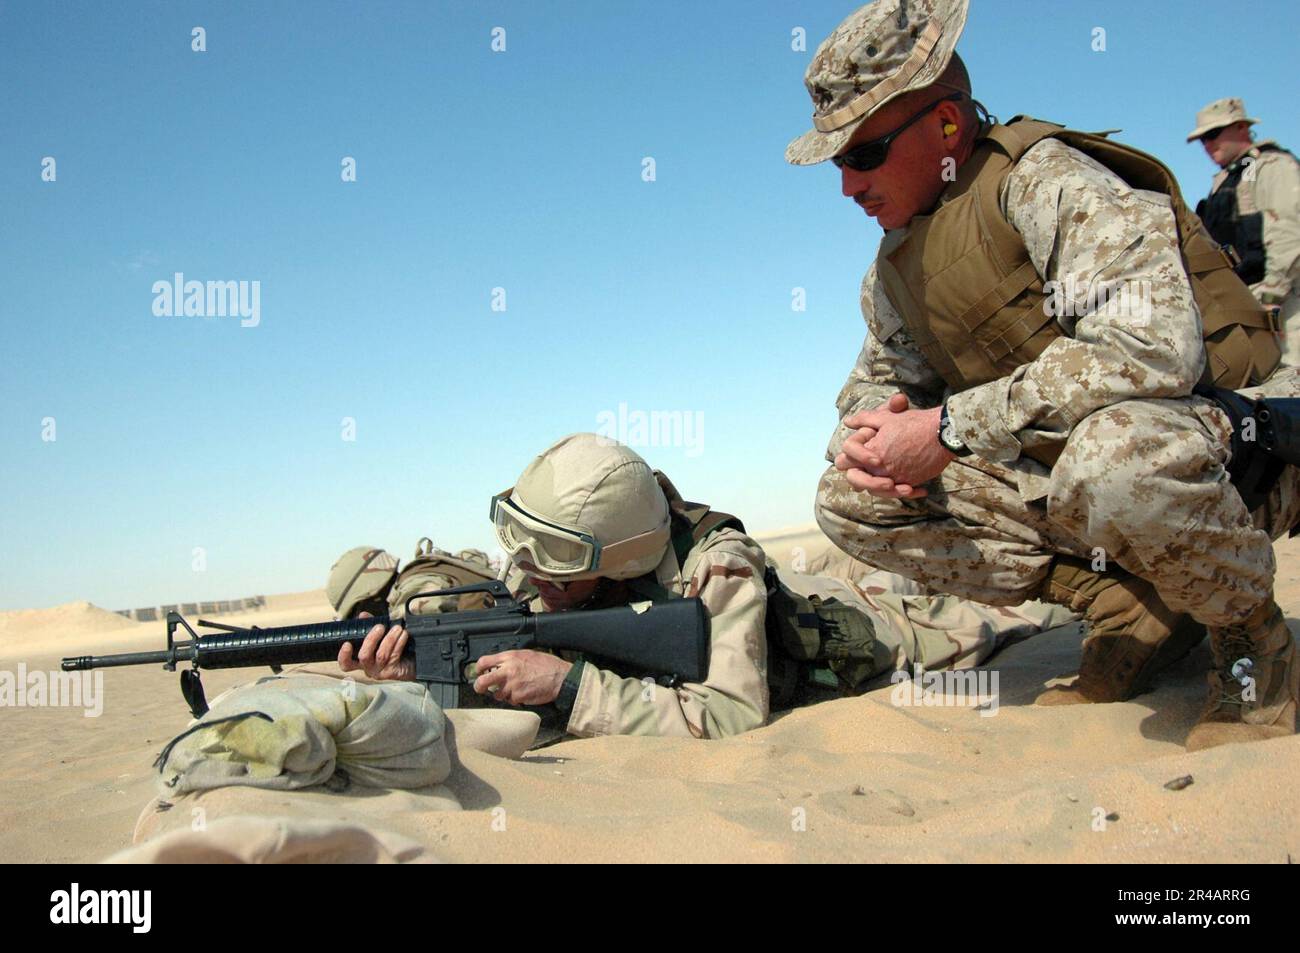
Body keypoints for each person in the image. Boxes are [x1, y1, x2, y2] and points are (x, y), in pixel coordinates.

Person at [786, 0, 1300, 750]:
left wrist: (951, 427)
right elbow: (878, 381)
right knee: (847, 495)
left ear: (948, 127)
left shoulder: (1045, 181)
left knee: (1114, 459)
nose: (847, 187)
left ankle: (1252, 640)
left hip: (1234, 453)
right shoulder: (896, 270)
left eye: (862, 155)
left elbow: (1151, 347)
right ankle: (1130, 607)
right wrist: (869, 436)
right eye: (838, 164)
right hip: (1082, 484)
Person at [338, 433, 1074, 739]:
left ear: (621, 554)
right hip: (782, 603)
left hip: (884, 633)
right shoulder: (549, 572)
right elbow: (516, 661)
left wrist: (568, 688)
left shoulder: (719, 562)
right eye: (525, 544)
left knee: (1012, 614)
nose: (530, 573)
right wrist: (420, 673)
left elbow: (728, 716)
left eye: (557, 556)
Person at [1189, 97, 1300, 366]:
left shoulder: (1272, 167)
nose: (1208, 144)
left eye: (1214, 134)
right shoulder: (1229, 179)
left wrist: (1272, 297)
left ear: (1242, 127)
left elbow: (1289, 232)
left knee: (1290, 392)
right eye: (1203, 139)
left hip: (1282, 305)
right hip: (1248, 305)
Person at [325, 540, 494, 620]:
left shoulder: (416, 584)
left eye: (354, 614)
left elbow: (423, 611)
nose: (361, 619)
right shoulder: (429, 569)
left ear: (371, 596)